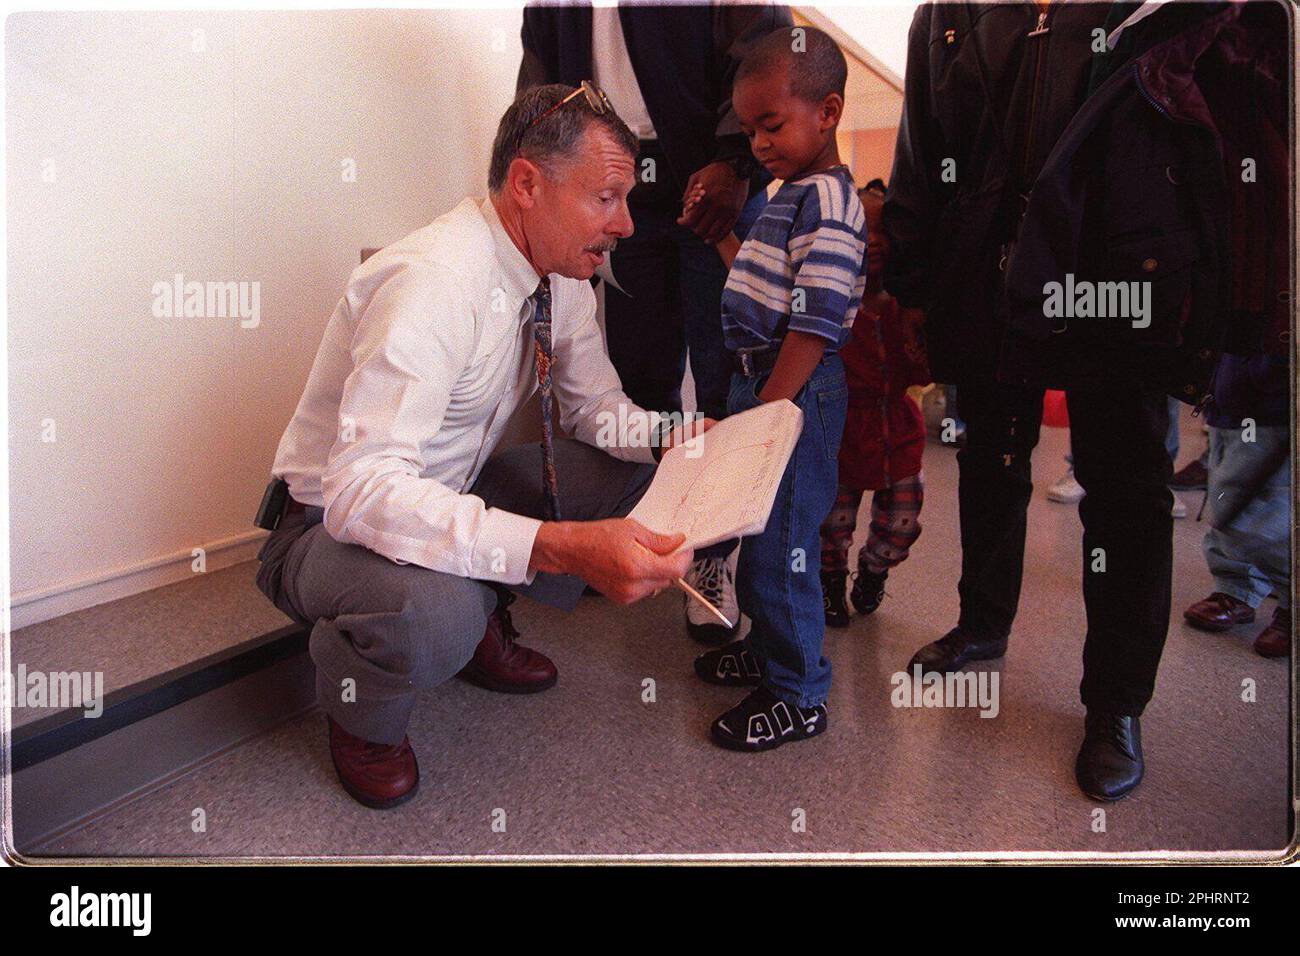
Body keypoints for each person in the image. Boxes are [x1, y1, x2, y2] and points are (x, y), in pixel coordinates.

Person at [254, 83, 708, 809]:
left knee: (629, 478)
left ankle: (479, 611)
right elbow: (361, 491)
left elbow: (594, 412)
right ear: (528, 182)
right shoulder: (433, 281)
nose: (625, 223)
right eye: (607, 197)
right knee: (436, 615)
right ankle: (363, 707)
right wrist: (557, 547)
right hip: (320, 531)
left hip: (446, 492)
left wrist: (674, 436)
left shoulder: (559, 280)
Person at [883, 1, 1286, 800]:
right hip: (986, 271)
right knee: (991, 460)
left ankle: (1115, 706)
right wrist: (912, 284)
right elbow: (921, 153)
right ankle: (982, 624)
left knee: (1127, 491)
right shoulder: (947, 13)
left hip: (1123, 273)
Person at [517, 1, 793, 645]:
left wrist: (736, 160)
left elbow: (762, 40)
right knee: (640, 378)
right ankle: (651, 541)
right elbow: (539, 80)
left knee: (733, 379)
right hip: (612, 175)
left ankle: (724, 560)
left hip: (708, 170)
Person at [688, 26, 866, 752]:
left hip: (795, 389)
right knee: (760, 533)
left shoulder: (827, 199)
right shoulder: (786, 196)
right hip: (764, 382)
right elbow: (763, 288)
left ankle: (798, 692)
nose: (757, 143)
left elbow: (816, 320)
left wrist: (771, 411)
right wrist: (719, 237)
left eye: (772, 124)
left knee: (783, 543)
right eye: (749, 128)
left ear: (827, 112)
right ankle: (768, 651)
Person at [818, 179, 929, 628]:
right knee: (832, 525)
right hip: (843, 436)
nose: (875, 243)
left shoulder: (907, 307)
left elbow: (922, 374)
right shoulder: (834, 306)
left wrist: (919, 348)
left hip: (897, 432)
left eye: (885, 232)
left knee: (901, 521)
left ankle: (873, 569)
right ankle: (829, 584)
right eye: (863, 233)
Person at [1182, 355, 1291, 659]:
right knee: (1223, 497)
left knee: (1265, 514)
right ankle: (1236, 587)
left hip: (1276, 393)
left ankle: (1290, 602)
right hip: (1229, 387)